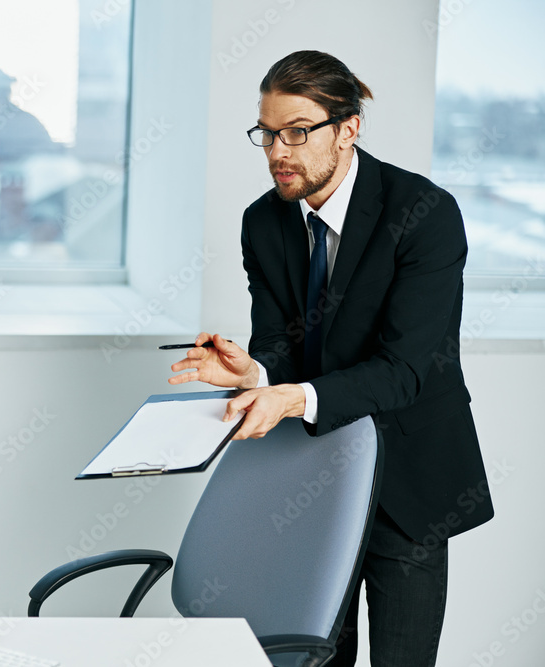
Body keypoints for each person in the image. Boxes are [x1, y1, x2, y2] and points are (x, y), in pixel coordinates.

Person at [167, 50, 494, 666]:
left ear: (349, 129)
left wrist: (294, 396)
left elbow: (409, 369)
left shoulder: (423, 214)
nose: (276, 152)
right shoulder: (263, 223)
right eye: (266, 134)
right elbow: (280, 345)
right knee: (310, 659)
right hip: (314, 483)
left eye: (296, 132)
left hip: (410, 481)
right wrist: (255, 372)